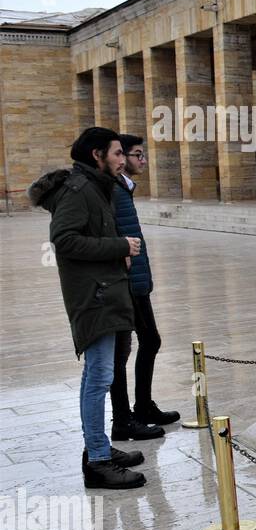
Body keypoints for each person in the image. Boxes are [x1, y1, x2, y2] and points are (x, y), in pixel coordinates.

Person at [28, 127, 147, 489]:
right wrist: (119, 247)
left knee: (98, 375)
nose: (122, 160)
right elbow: (64, 241)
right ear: (97, 155)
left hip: (106, 292)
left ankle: (98, 447)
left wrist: (116, 254)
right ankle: (97, 460)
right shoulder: (78, 191)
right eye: (115, 153)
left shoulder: (96, 187)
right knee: (98, 378)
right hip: (94, 298)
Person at [109, 134, 180, 439]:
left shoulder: (123, 189)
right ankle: (127, 417)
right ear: (120, 157)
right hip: (127, 283)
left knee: (146, 342)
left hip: (136, 280)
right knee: (137, 345)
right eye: (138, 155)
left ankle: (140, 408)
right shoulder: (114, 190)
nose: (143, 161)